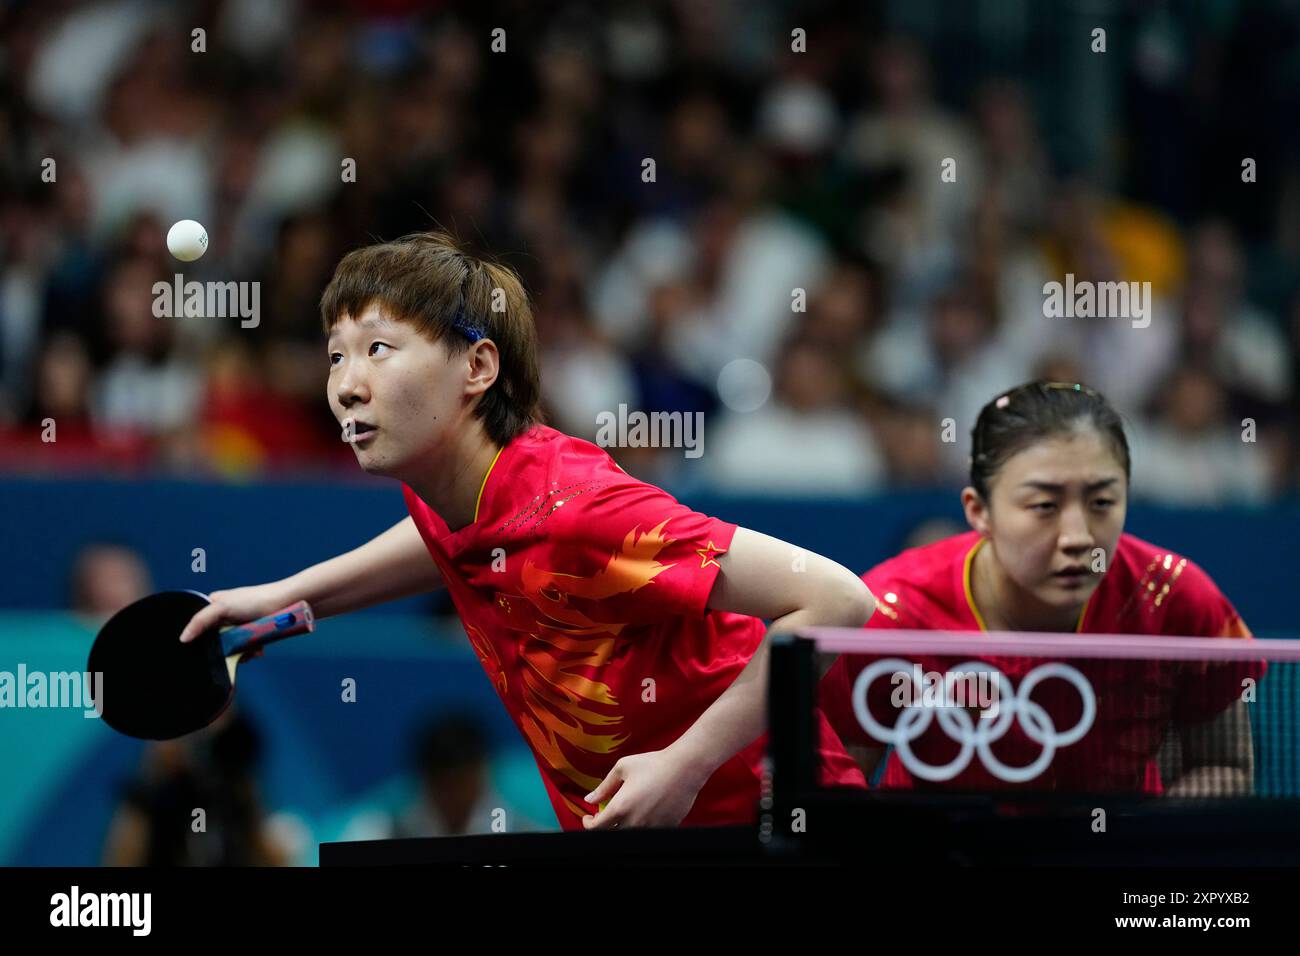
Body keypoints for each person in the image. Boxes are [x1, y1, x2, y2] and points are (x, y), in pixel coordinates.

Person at [180, 231, 873, 830]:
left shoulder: (583, 513)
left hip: (771, 829)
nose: (347, 385)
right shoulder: (452, 489)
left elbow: (839, 600)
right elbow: (437, 539)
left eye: (379, 349)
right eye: (336, 356)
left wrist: (686, 764)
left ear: (477, 368)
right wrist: (285, 596)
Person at [820, 381, 1262, 797]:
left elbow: (1224, 763)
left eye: (1102, 502)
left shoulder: (1174, 598)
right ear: (979, 511)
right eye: (1044, 506)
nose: (1077, 537)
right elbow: (837, 781)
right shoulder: (893, 611)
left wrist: (1141, 845)